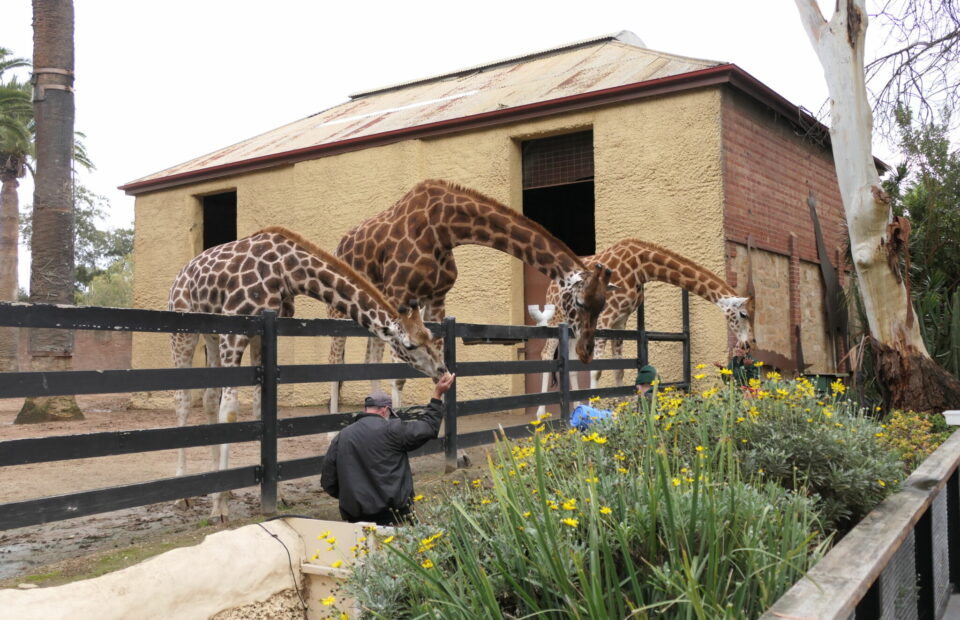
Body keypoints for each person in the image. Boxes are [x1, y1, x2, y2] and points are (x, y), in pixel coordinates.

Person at [321, 373, 456, 526]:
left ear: (366, 410)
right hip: (393, 516)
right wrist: (437, 394)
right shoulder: (393, 429)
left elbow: (328, 481)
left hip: (355, 520)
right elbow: (429, 427)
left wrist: (351, 497)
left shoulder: (342, 437)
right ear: (385, 410)